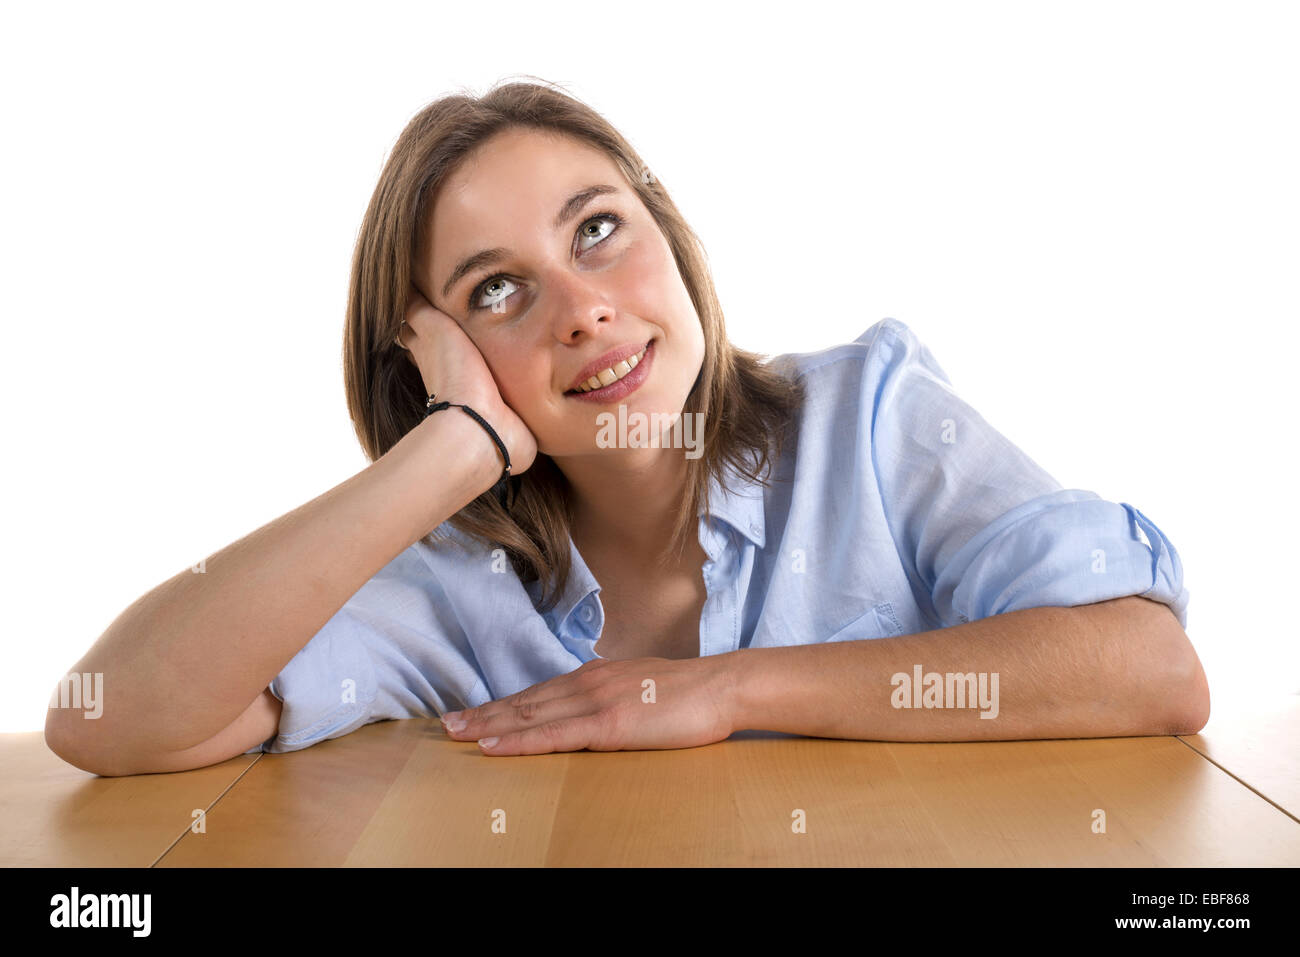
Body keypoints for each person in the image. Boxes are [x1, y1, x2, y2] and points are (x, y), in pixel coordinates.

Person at [44, 79, 1208, 776]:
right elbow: (112, 722)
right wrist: (449, 450)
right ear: (438, 360)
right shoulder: (447, 580)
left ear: (667, 231)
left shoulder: (870, 415)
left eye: (595, 230)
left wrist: (729, 689)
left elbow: (1149, 670)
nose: (582, 307)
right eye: (497, 291)